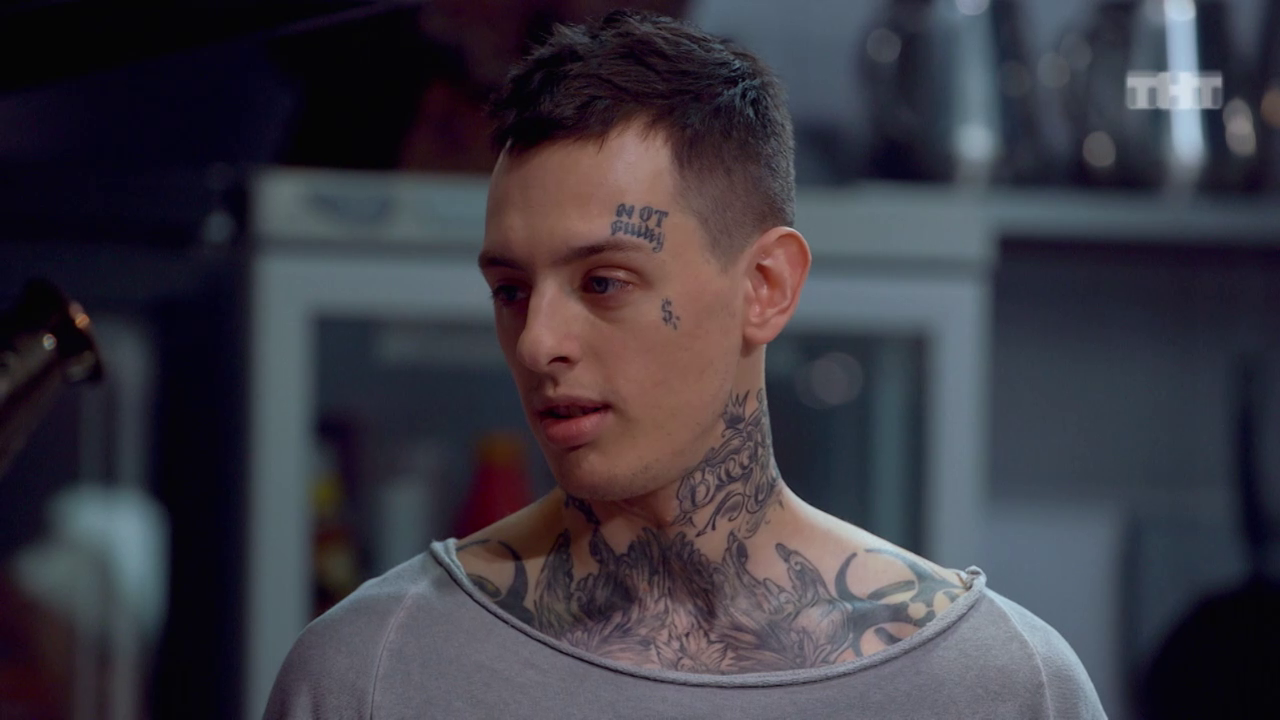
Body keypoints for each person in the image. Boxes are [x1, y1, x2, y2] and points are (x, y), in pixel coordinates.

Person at [264, 10, 1106, 719]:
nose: (536, 342)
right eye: (511, 290)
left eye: (603, 282)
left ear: (766, 287)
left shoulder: (998, 687)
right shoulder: (373, 671)